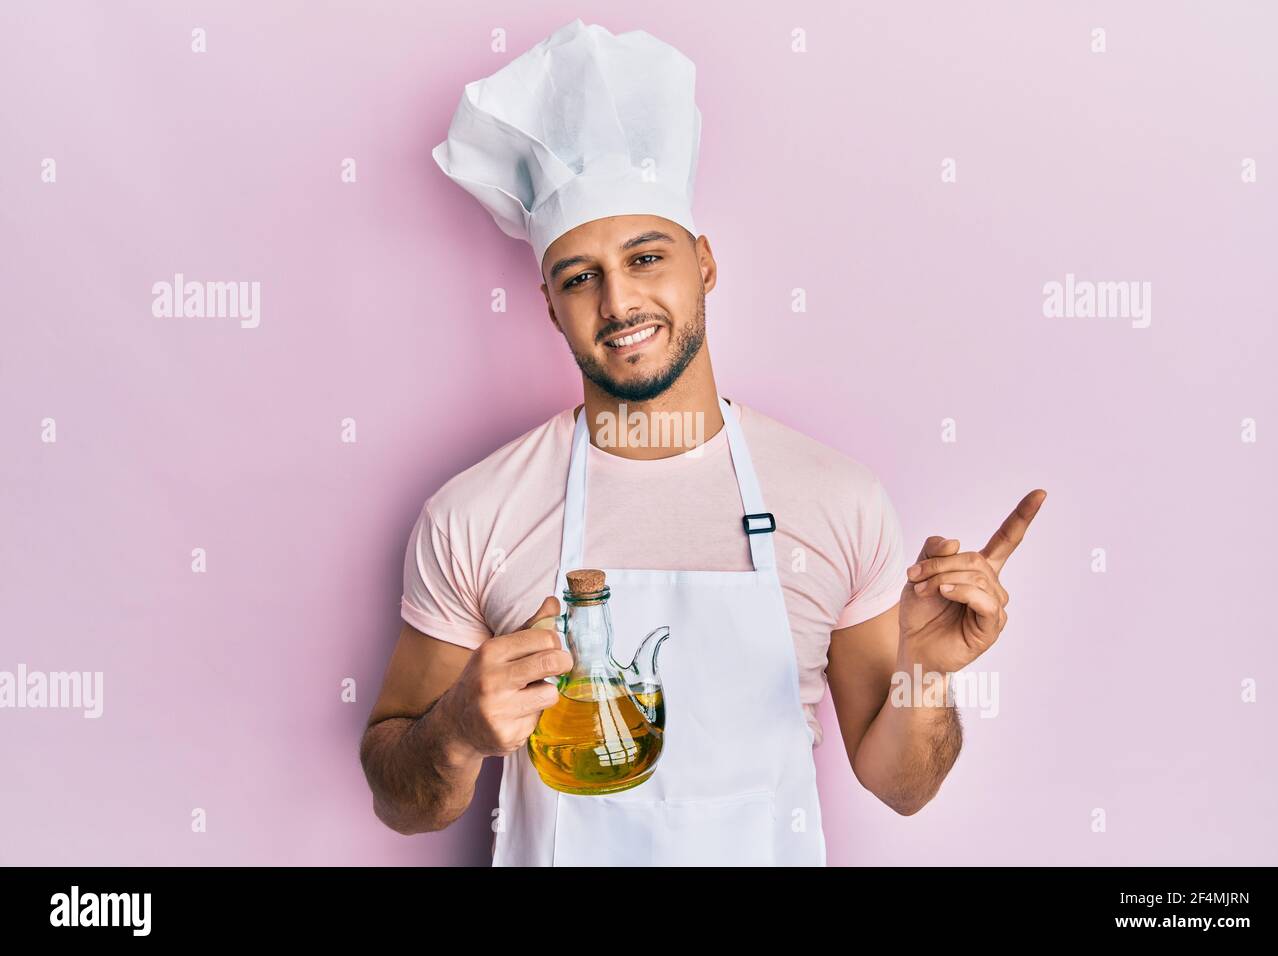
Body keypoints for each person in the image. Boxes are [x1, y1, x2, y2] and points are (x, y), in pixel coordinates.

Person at [359, 18, 1045, 866]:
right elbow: (401, 799)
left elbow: (900, 784)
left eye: (647, 257)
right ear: (548, 302)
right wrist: (459, 729)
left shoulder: (835, 499)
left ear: (704, 263)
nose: (618, 302)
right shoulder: (475, 513)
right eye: (580, 277)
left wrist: (927, 673)